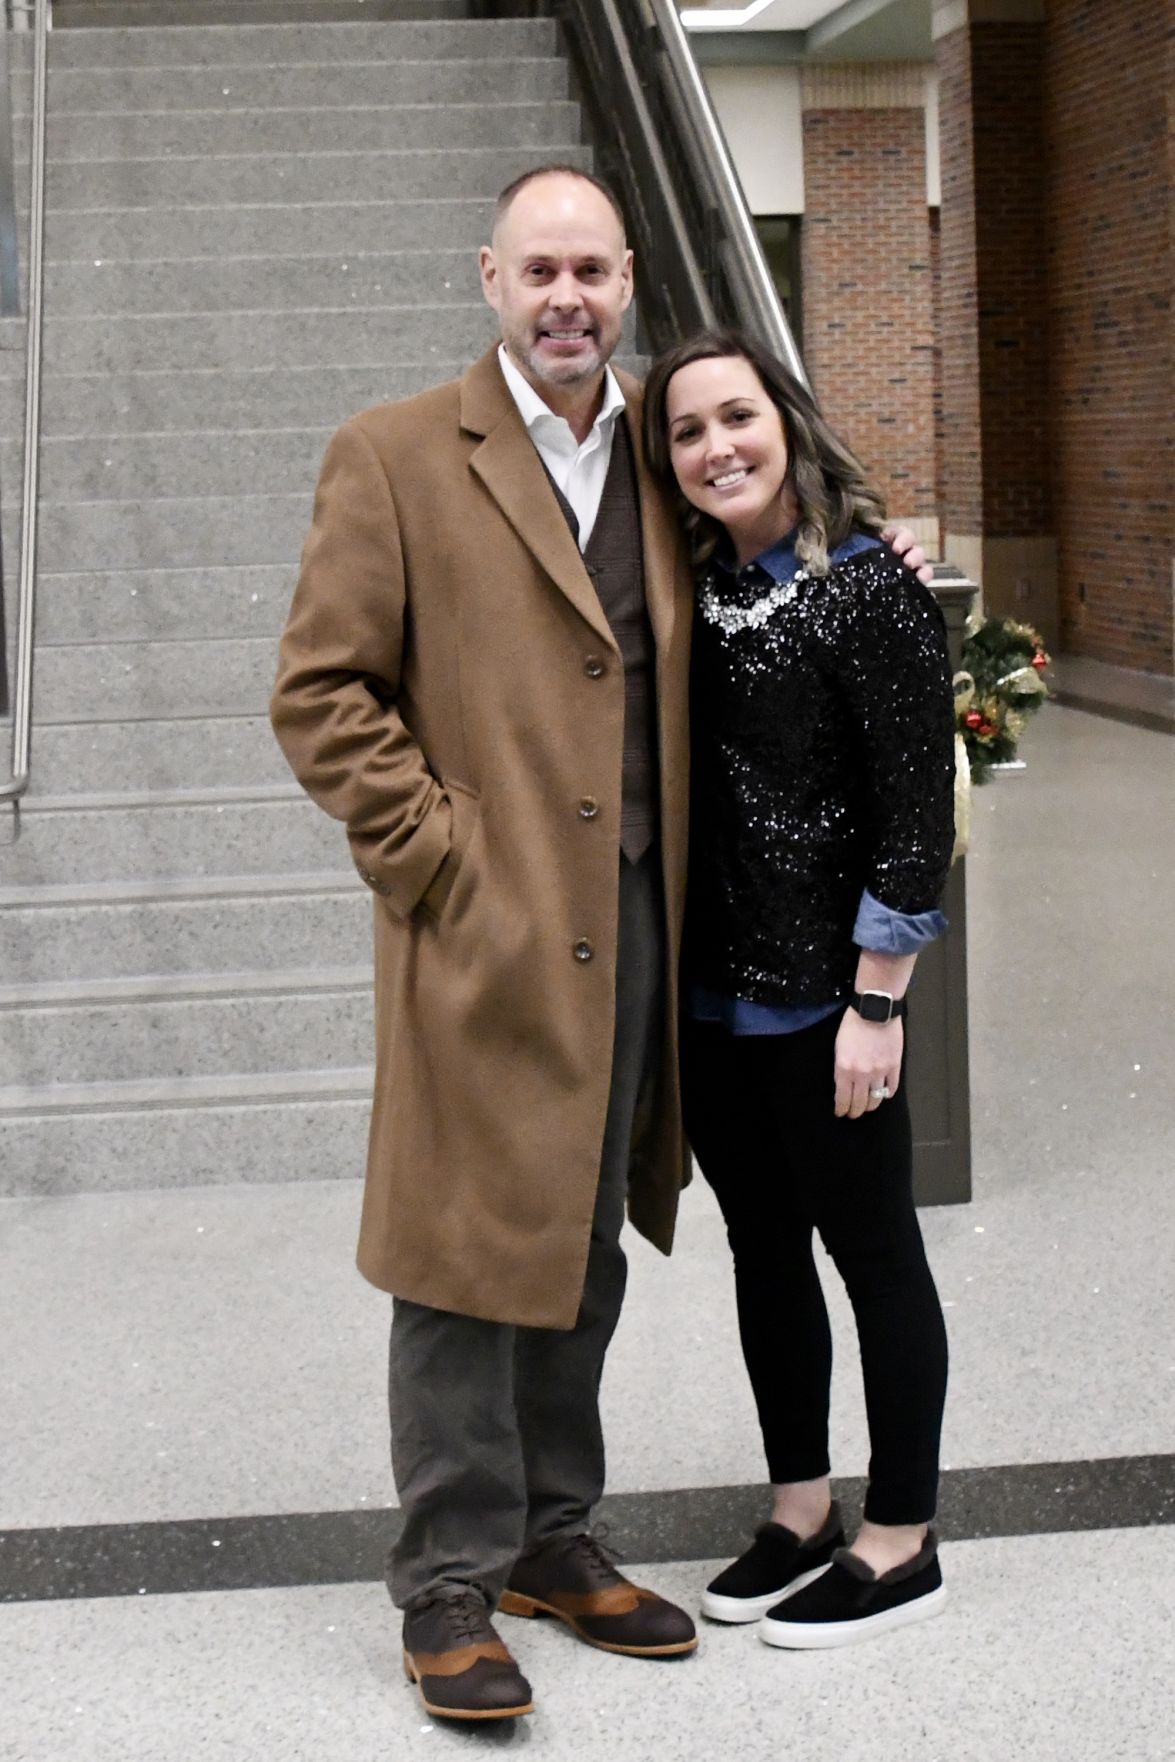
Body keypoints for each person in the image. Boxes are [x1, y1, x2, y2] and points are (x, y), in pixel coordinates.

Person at [271, 169, 930, 1721]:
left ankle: (550, 1535)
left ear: (628, 281)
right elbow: (321, 694)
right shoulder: (394, 455)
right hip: (480, 926)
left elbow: (771, 533)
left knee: (578, 1238)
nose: (568, 297)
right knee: (457, 1251)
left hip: (641, 921)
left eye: (594, 272)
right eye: (539, 270)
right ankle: (446, 1576)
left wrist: (874, 550)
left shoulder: (655, 444)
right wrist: (444, 861)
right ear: (489, 277)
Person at [643, 329, 955, 1650]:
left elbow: (910, 805)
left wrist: (879, 1002)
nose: (716, 446)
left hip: (829, 1006)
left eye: (737, 417)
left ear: (786, 418)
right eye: (686, 431)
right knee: (761, 1252)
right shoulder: (685, 592)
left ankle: (901, 1534)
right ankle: (801, 1505)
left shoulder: (869, 589)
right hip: (712, 1005)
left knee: (872, 1252)